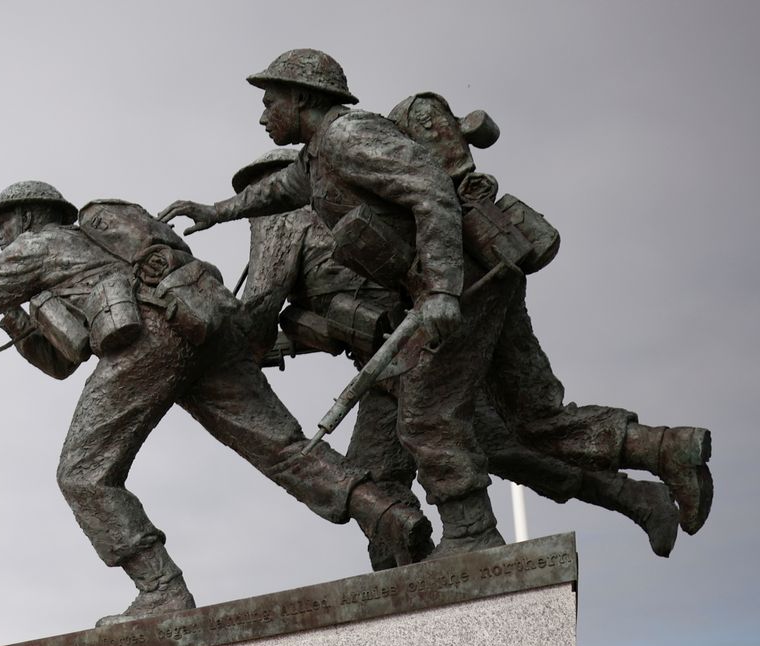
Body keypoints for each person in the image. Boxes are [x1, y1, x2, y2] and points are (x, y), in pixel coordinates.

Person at [0, 180, 432, 625]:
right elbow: (62, 360)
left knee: (84, 476)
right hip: (200, 326)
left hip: (150, 341)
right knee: (281, 448)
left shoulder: (37, 246)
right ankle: (386, 512)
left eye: (3, 223)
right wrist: (15, 315)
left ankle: (161, 590)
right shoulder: (91, 249)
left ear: (33, 217)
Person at [230, 148, 686, 561]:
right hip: (400, 361)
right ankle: (634, 497)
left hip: (407, 360)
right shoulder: (342, 210)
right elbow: (342, 311)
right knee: (438, 466)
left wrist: (227, 346)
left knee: (393, 484)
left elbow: (258, 311)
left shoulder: (280, 222)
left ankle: (431, 574)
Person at [162, 49, 504, 556]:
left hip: (460, 288)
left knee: (429, 420)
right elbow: (280, 190)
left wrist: (440, 290)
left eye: (269, 101)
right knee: (524, 425)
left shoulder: (347, 136)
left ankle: (474, 538)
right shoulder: (319, 154)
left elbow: (430, 190)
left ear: (301, 97)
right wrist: (216, 212)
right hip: (443, 294)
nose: (262, 115)